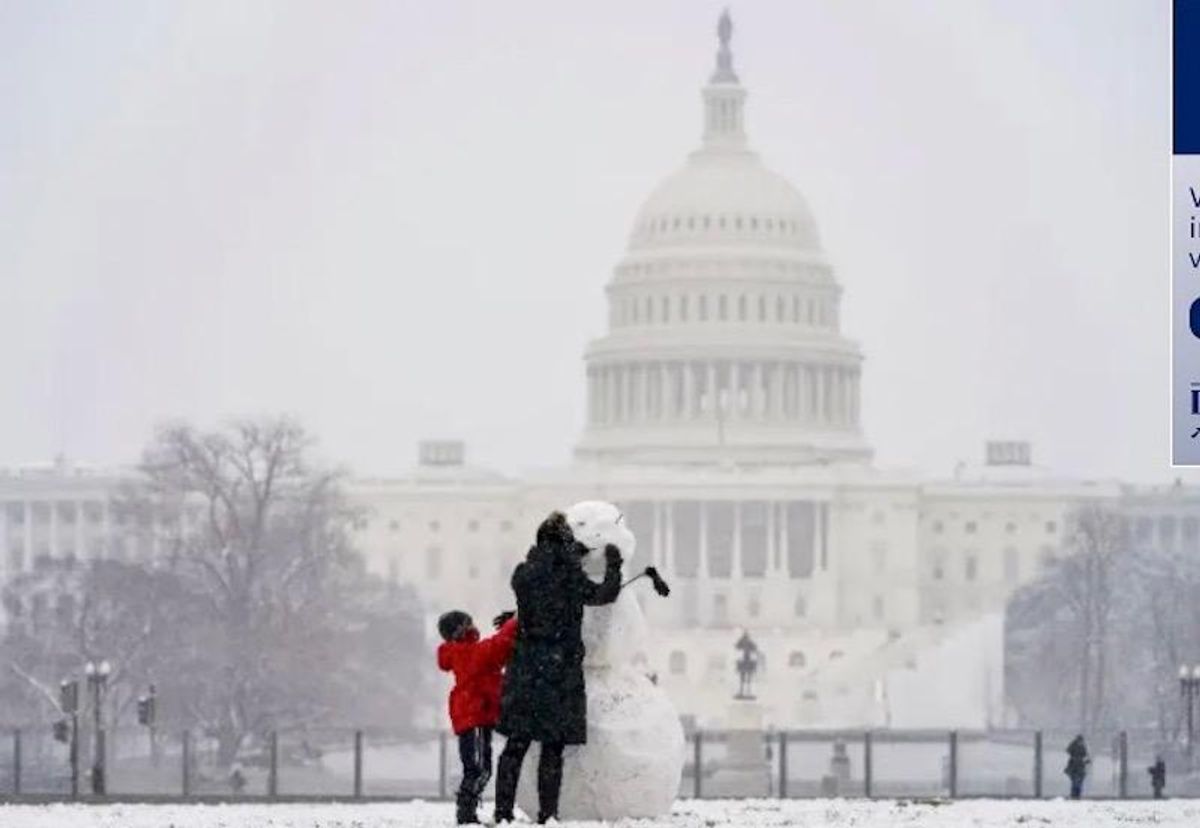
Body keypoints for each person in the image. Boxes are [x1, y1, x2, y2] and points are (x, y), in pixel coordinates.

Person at [493, 511, 623, 824]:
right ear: (565, 543)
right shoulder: (568, 575)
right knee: (552, 748)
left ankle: (502, 811)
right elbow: (604, 595)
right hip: (559, 670)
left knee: (516, 745)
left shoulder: (523, 573)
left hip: (526, 667)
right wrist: (613, 565)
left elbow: (539, 602)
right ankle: (547, 813)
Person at [437, 608, 519, 824]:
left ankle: (467, 810)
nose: (474, 626)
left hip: (476, 716)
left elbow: (494, 649)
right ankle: (465, 810)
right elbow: (497, 647)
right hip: (475, 716)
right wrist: (513, 623)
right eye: (469, 623)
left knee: (477, 767)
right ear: (459, 630)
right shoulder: (465, 652)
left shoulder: (462, 651)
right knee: (479, 769)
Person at [1064, 734, 1090, 799]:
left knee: (1079, 782)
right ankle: (1074, 795)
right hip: (1075, 767)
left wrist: (1086, 761)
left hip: (1080, 767)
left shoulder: (1083, 747)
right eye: (1080, 741)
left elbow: (1085, 756)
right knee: (1075, 782)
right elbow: (1068, 751)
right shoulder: (1074, 746)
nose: (1081, 742)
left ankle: (1076, 795)